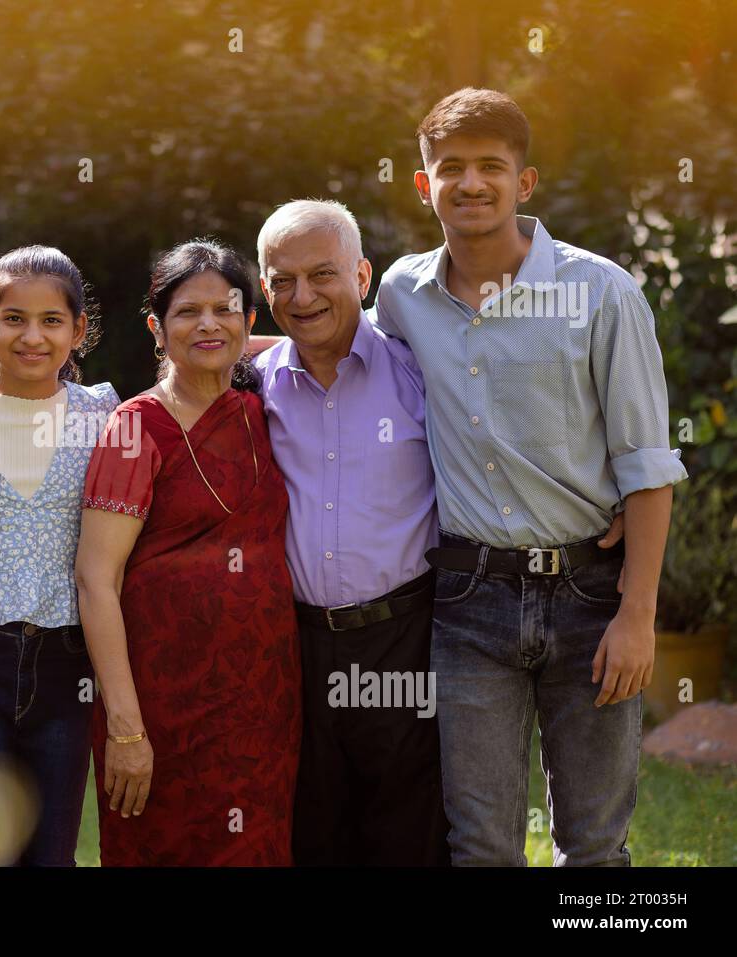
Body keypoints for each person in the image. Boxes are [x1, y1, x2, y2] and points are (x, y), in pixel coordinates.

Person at [374, 88, 687, 866]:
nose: (471, 183)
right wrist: (222, 348)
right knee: (479, 845)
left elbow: (646, 462)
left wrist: (638, 614)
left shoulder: (602, 292)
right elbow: (344, 365)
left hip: (592, 596)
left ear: (526, 182)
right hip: (467, 603)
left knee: (595, 845)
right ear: (423, 185)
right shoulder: (402, 294)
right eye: (451, 168)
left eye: (491, 167)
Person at [75, 239, 301, 866]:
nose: (208, 324)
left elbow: (315, 343)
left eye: (226, 309)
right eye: (186, 312)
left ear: (249, 321)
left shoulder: (263, 409)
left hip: (263, 700)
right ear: (156, 327)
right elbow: (96, 580)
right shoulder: (134, 429)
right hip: (160, 706)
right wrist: (126, 728)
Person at [251, 199, 451, 866]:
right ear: (263, 289)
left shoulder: (418, 370)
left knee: (408, 834)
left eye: (322, 274)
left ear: (363, 276)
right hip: (297, 646)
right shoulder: (252, 387)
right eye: (282, 280)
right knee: (313, 831)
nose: (302, 296)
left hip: (405, 636)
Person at [0, 246, 118, 866]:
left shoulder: (106, 418)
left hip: (67, 663)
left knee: (51, 852)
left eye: (52, 321)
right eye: (13, 318)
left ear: (79, 330)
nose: (32, 336)